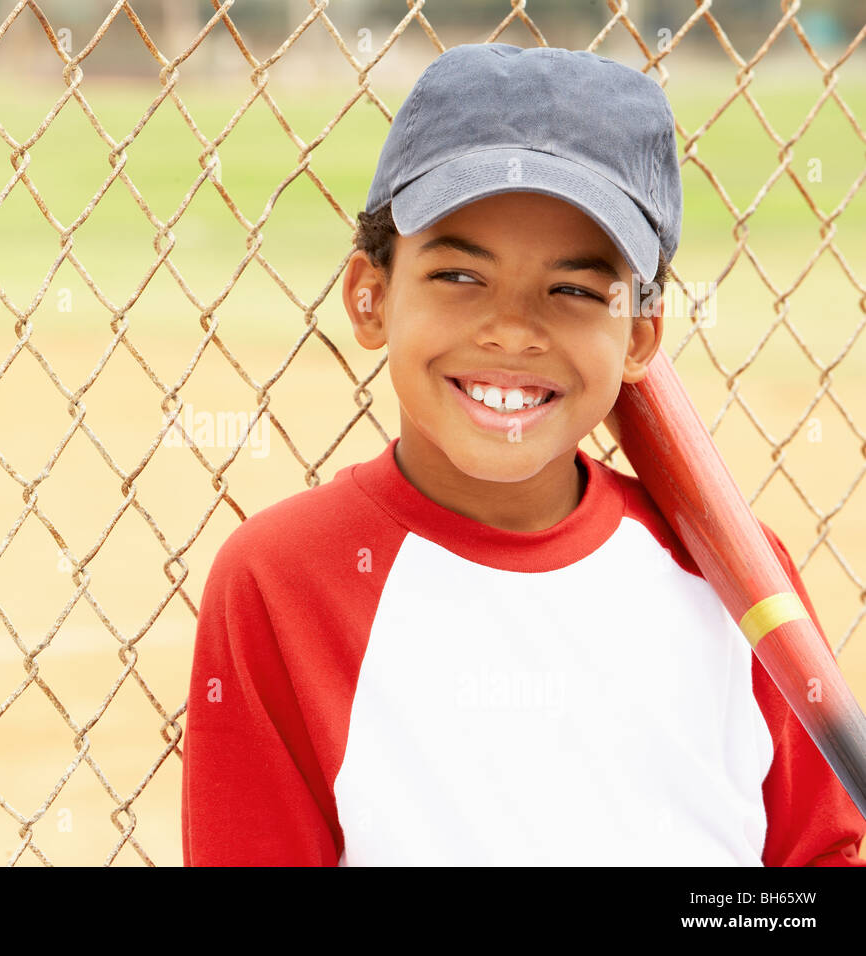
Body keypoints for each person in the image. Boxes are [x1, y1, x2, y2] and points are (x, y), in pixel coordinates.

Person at [179, 43, 866, 865]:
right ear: (370, 297)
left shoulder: (735, 580)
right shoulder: (280, 583)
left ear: (641, 336)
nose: (511, 329)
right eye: (460, 276)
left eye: (574, 289)